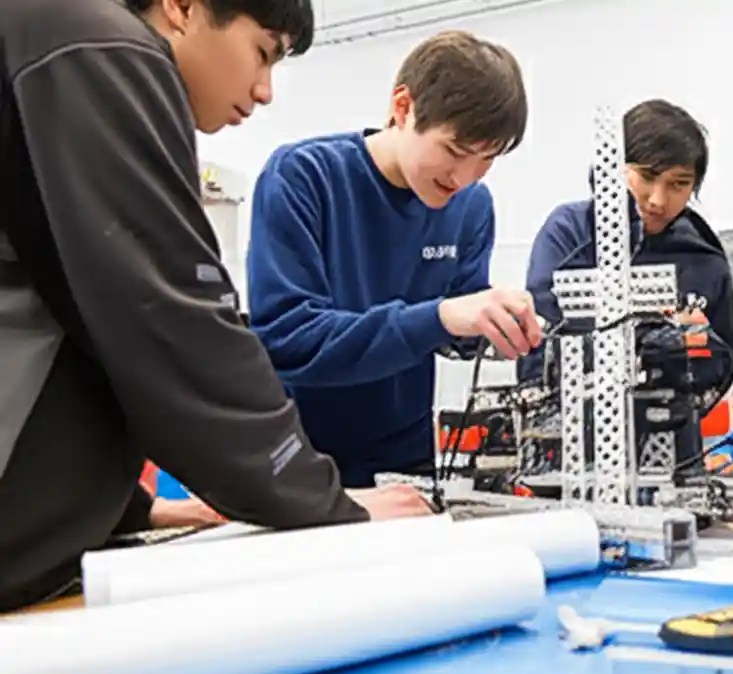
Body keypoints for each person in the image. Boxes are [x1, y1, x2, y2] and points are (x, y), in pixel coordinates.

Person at [0, 0, 429, 612]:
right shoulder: (100, 44)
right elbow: (174, 317)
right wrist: (331, 506)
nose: (265, 92)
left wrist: (141, 510)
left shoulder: (58, 40)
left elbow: (81, 309)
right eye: (263, 53)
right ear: (181, 8)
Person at [248, 30, 542, 488]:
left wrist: (496, 325)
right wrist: (442, 316)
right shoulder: (304, 177)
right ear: (403, 108)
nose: (464, 178)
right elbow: (290, 340)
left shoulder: (471, 206)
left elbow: (453, 326)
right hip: (298, 461)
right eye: (455, 151)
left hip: (406, 464)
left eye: (487, 159)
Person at [521, 99, 733, 471]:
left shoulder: (702, 255)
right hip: (574, 452)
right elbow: (537, 345)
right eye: (647, 177)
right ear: (614, 169)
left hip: (673, 451)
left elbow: (724, 360)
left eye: (678, 185)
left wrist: (687, 352)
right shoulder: (570, 233)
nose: (657, 200)